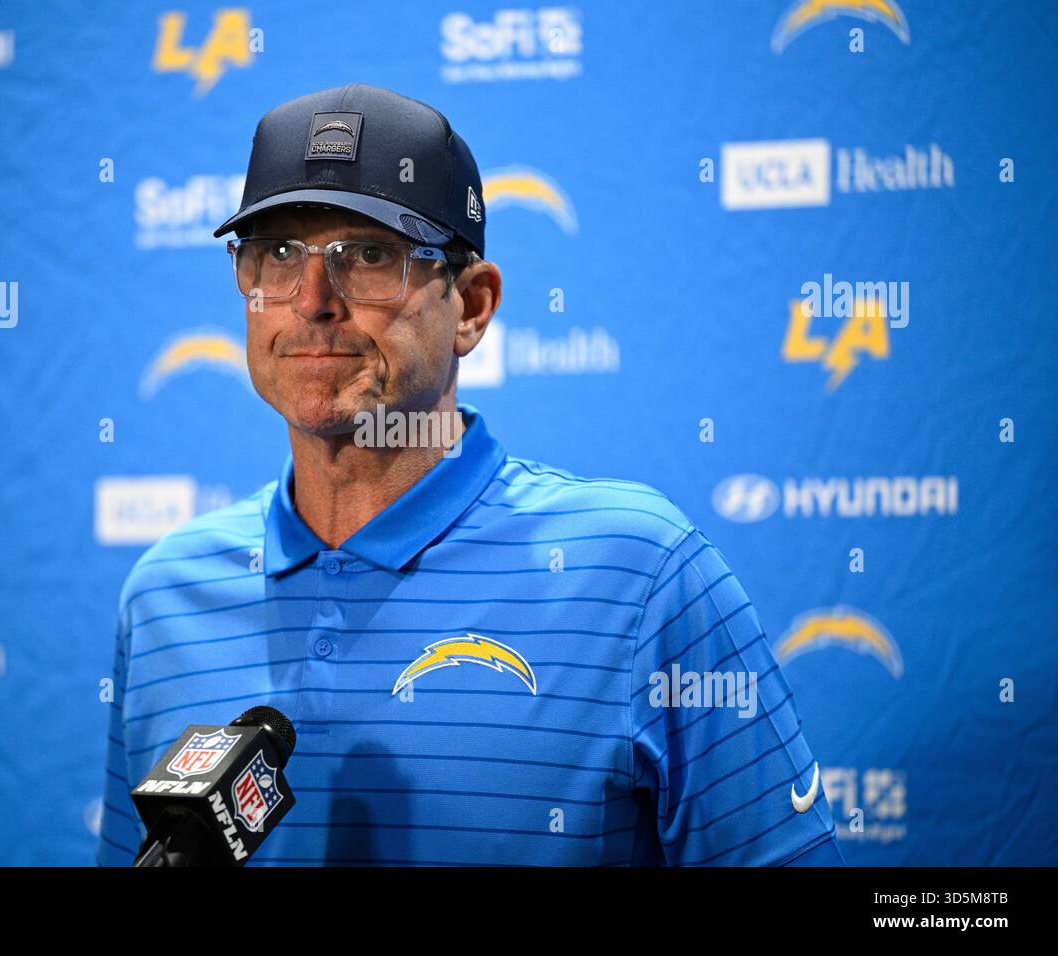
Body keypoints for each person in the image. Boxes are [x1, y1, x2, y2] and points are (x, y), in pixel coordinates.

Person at [96, 83, 843, 866]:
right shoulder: (163, 596)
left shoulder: (642, 574)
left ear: (473, 306)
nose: (312, 301)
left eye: (371, 256)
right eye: (278, 255)